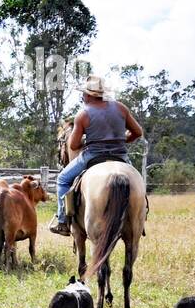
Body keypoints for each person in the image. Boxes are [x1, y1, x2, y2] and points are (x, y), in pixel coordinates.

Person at [48, 75, 144, 236]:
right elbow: (138, 132)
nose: (83, 96)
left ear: (88, 95)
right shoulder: (121, 108)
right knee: (137, 183)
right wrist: (122, 140)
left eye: (83, 94)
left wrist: (87, 141)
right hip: (121, 156)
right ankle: (140, 217)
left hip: (93, 156)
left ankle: (62, 220)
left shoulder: (83, 114)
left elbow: (73, 145)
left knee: (63, 179)